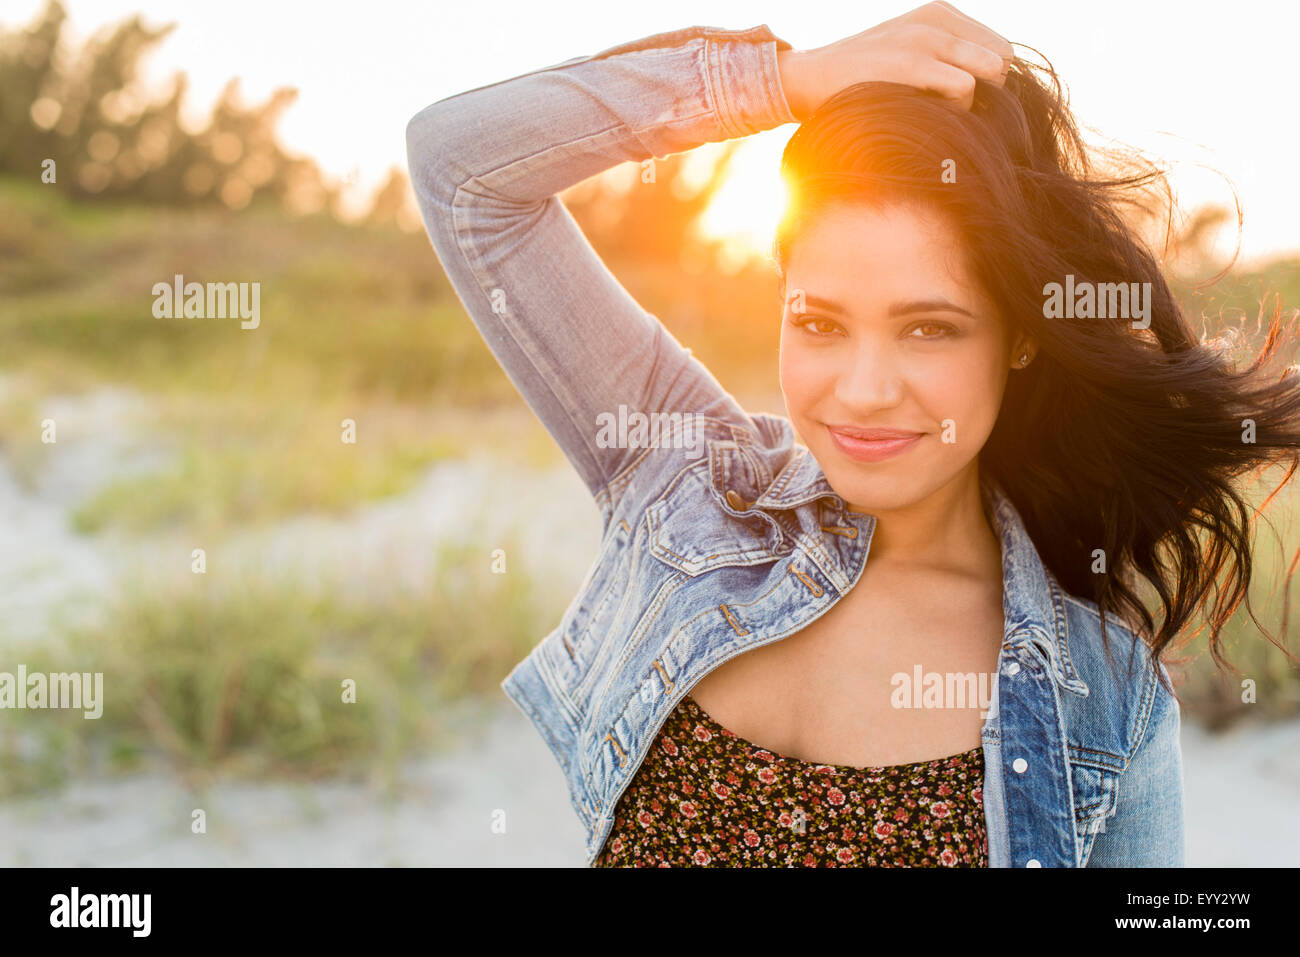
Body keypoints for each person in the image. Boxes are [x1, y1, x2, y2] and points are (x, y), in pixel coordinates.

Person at [405, 2, 1300, 866]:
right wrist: (787, 79)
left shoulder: (1101, 699)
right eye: (822, 324)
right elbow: (462, 171)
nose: (863, 391)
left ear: (1020, 335)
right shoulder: (687, 480)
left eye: (929, 327)